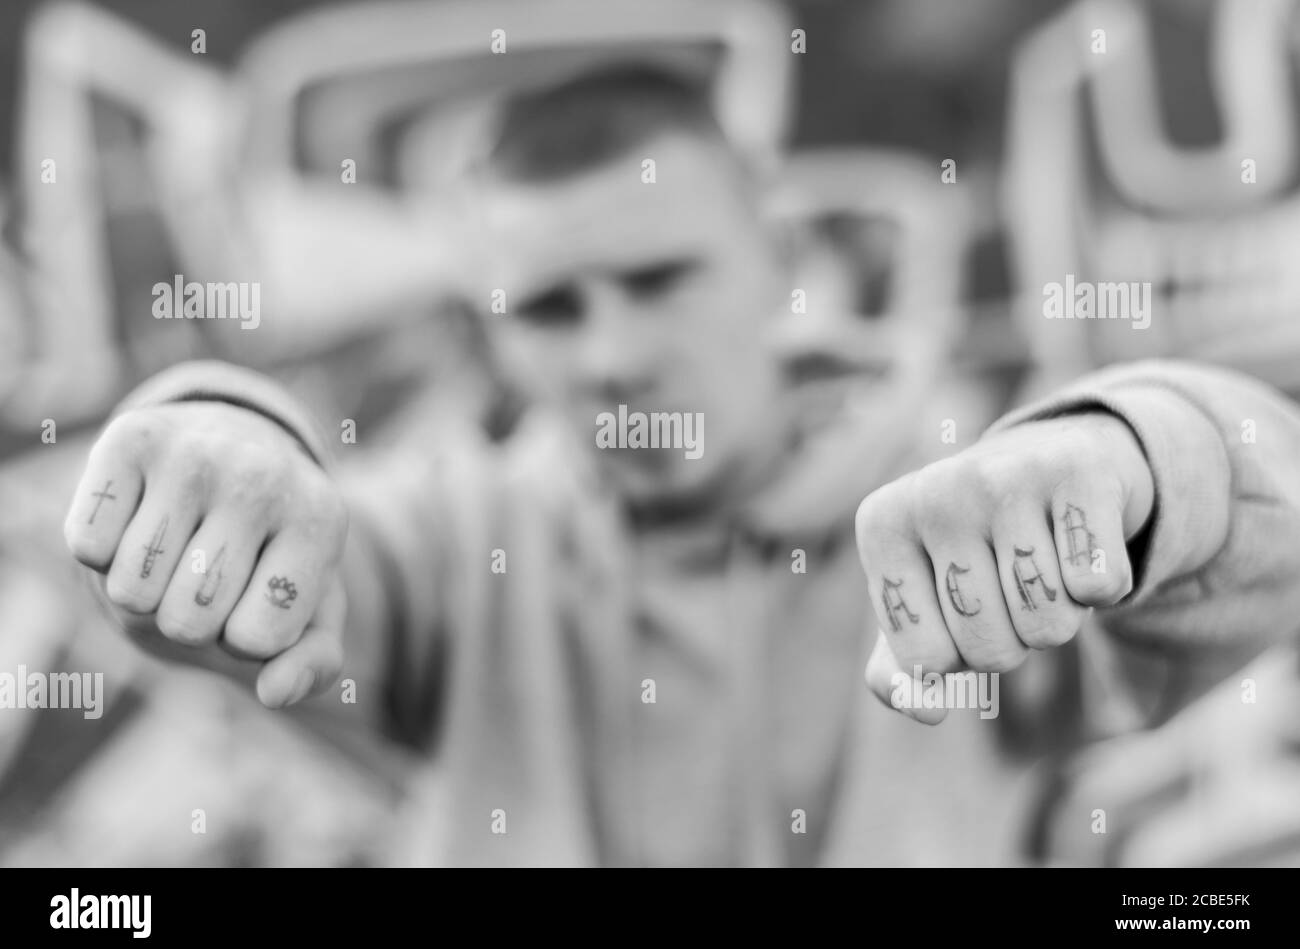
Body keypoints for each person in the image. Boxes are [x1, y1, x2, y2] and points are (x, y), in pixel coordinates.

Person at [63, 66, 1300, 866]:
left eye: (660, 280)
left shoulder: (961, 505)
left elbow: (1260, 541)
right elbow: (318, 572)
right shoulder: (458, 541)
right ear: (492, 334)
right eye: (548, 308)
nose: (613, 354)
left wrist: (1134, 453)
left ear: (773, 257)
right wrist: (214, 425)